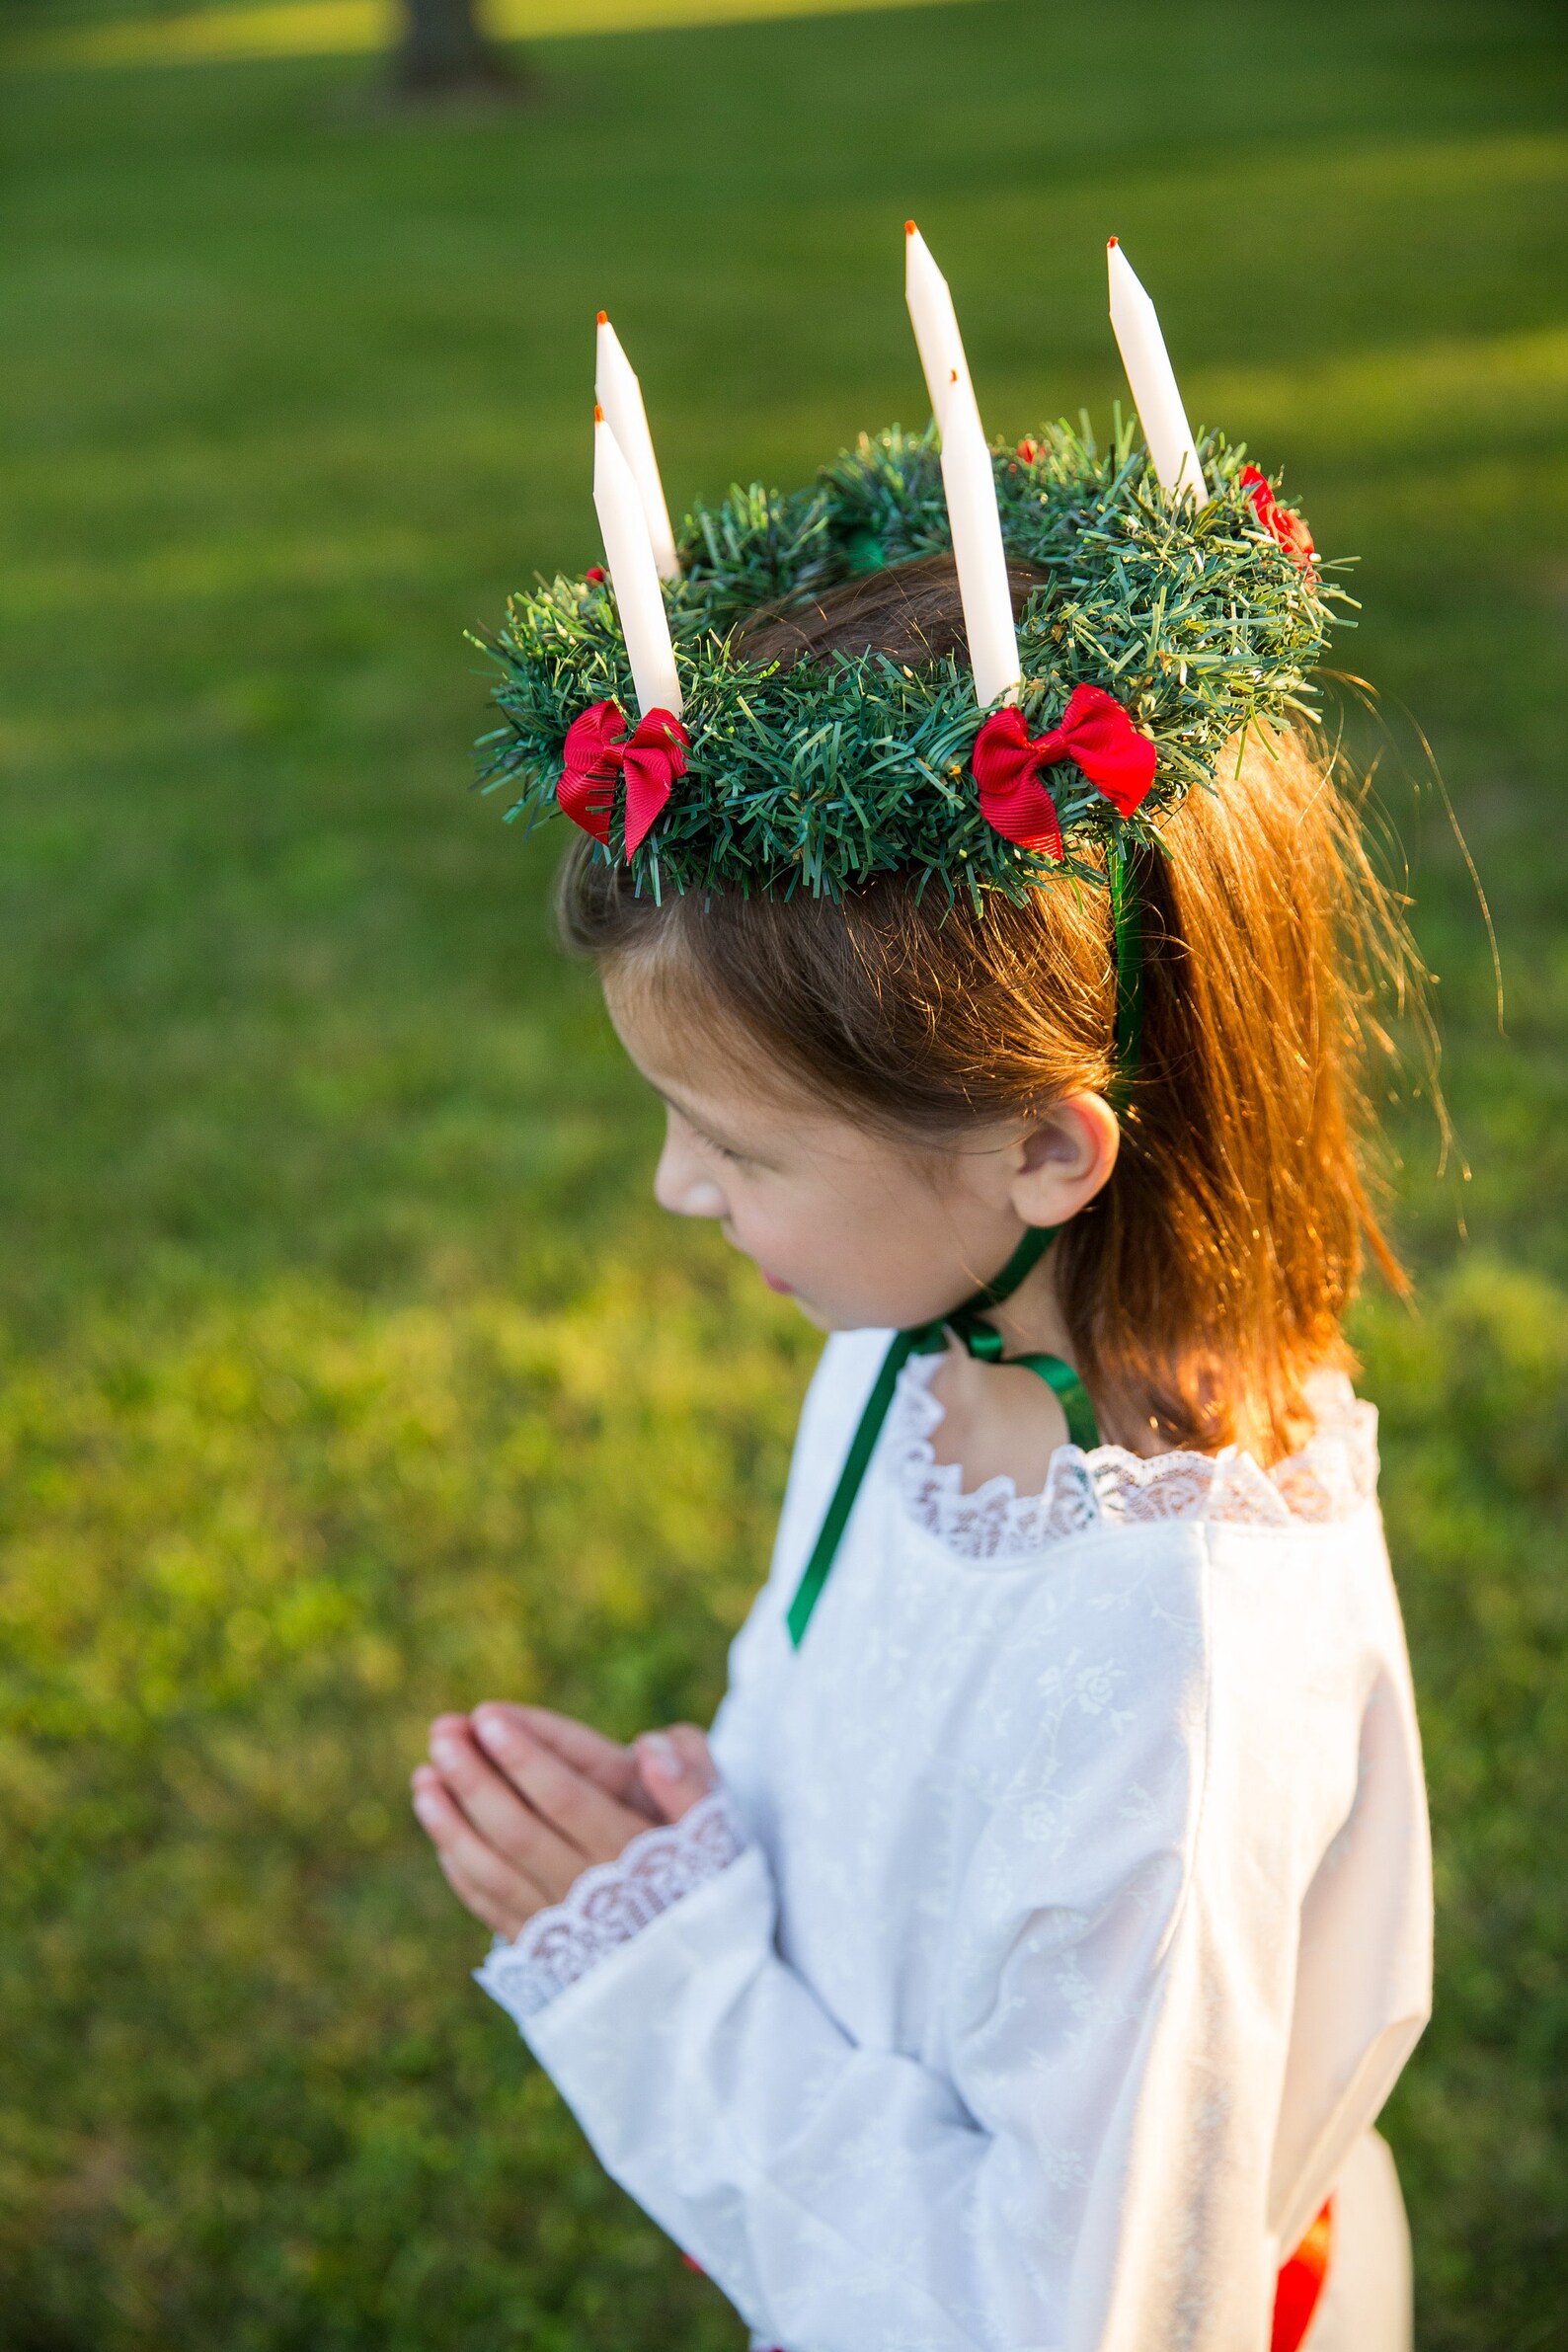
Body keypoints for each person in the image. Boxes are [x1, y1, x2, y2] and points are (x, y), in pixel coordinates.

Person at [410, 322, 1434, 2352]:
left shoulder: (1168, 1674)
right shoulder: (936, 1348)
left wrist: (655, 1972)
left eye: (735, 1143)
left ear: (1046, 1149)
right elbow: (888, 1771)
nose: (676, 1190)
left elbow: (1061, 2312)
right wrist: (720, 1844)